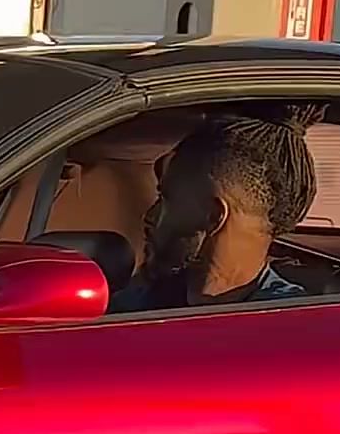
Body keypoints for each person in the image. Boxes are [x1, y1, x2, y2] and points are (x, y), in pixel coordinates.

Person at [108, 101, 326, 315]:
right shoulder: (136, 306)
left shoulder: (291, 325)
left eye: (166, 199)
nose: (150, 216)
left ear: (213, 217)